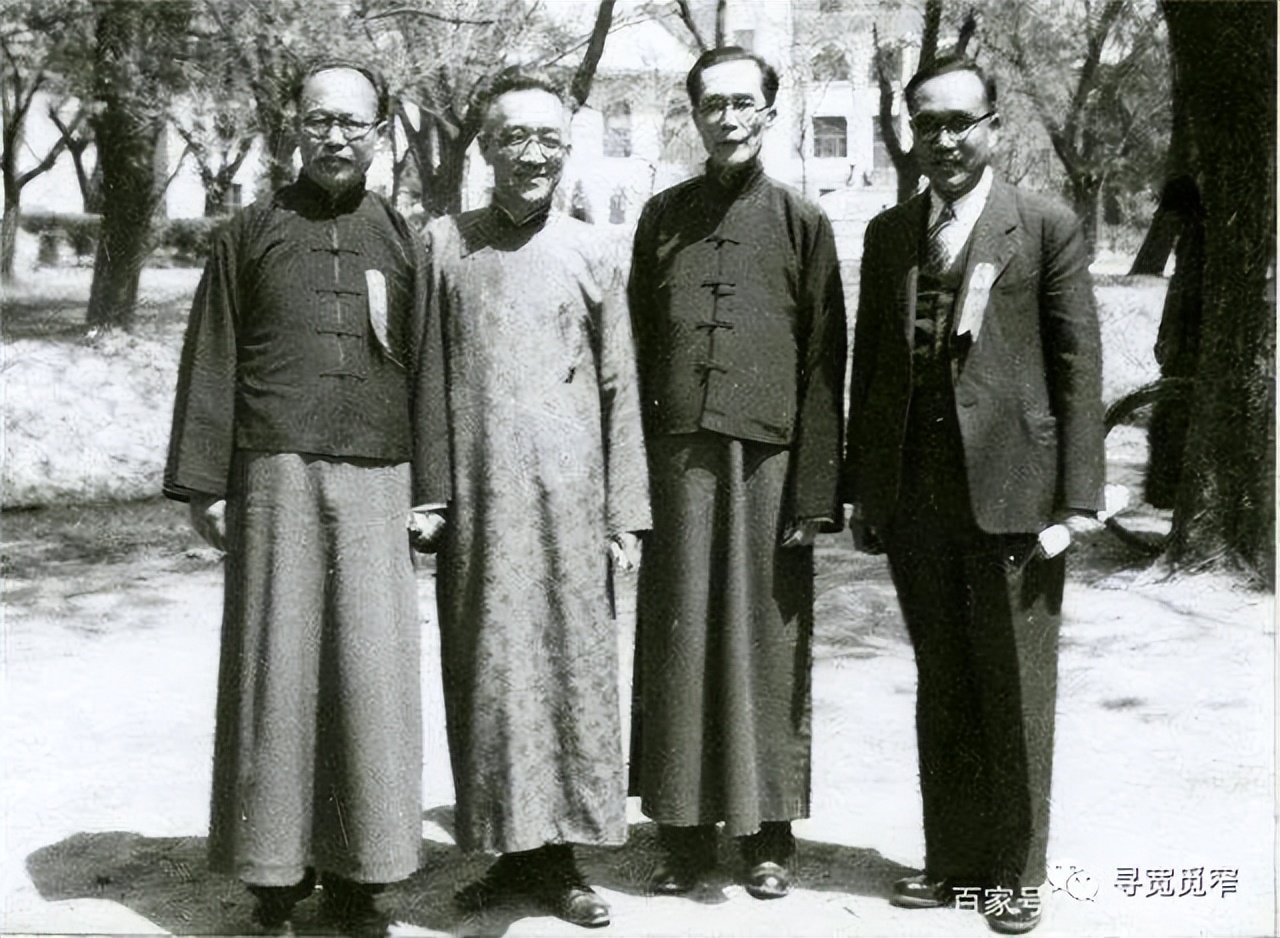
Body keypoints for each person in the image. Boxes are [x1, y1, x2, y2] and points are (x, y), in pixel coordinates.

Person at [164, 60, 448, 935]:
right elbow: (211, 356)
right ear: (296, 125)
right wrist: (205, 485)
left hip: (379, 477)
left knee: (370, 678)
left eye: (353, 124)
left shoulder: (404, 237)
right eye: (320, 121)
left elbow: (430, 366)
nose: (335, 138)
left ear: (379, 131)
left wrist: (431, 490)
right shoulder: (247, 232)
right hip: (274, 477)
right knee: (275, 677)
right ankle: (274, 881)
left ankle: (362, 879)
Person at [842, 54, 1105, 935]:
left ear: (996, 128)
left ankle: (1015, 872)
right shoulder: (889, 235)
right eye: (928, 124)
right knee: (942, 681)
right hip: (917, 501)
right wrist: (865, 493)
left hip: (1015, 500)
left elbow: (1077, 365)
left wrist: (1078, 499)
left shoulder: (1043, 225)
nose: (944, 140)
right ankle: (952, 859)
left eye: (961, 122)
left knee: (1015, 688)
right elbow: (873, 372)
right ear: (911, 134)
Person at [417, 68, 650, 929]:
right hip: (481, 502)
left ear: (567, 148)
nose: (532, 154)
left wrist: (625, 512)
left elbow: (621, 385)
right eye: (513, 136)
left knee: (568, 673)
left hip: (569, 503)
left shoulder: (593, 250)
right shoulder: (441, 243)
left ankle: (563, 863)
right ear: (484, 148)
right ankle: (511, 859)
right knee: (491, 675)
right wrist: (432, 495)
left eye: (548, 138)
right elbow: (423, 380)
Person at [627, 47, 847, 900]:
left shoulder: (801, 222)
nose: (726, 117)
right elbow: (639, 348)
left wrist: (816, 491)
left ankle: (769, 832)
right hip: (677, 462)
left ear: (769, 111)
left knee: (767, 642)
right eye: (711, 104)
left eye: (742, 103)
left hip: (771, 467)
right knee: (681, 640)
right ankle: (681, 834)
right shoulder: (659, 219)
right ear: (694, 115)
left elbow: (827, 359)